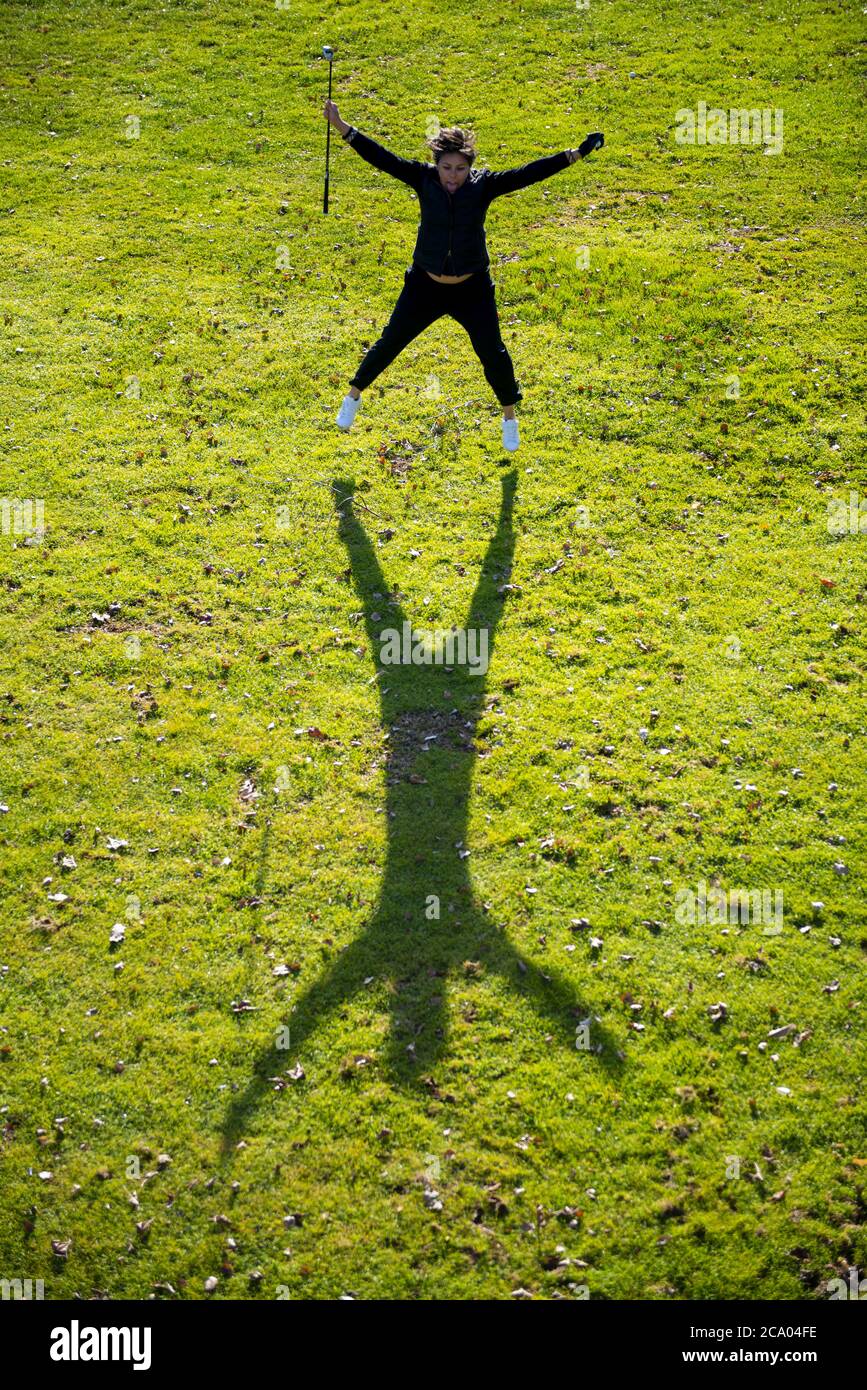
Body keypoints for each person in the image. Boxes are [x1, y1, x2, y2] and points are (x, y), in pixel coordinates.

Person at [323, 101, 603, 452]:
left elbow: (528, 173)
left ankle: (509, 418)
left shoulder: (483, 186)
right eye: (446, 168)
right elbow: (382, 158)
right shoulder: (422, 178)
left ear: (470, 167)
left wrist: (576, 154)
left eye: (459, 169)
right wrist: (341, 126)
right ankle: (353, 397)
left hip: (472, 288)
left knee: (493, 352)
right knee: (390, 341)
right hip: (424, 285)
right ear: (436, 166)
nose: (452, 175)